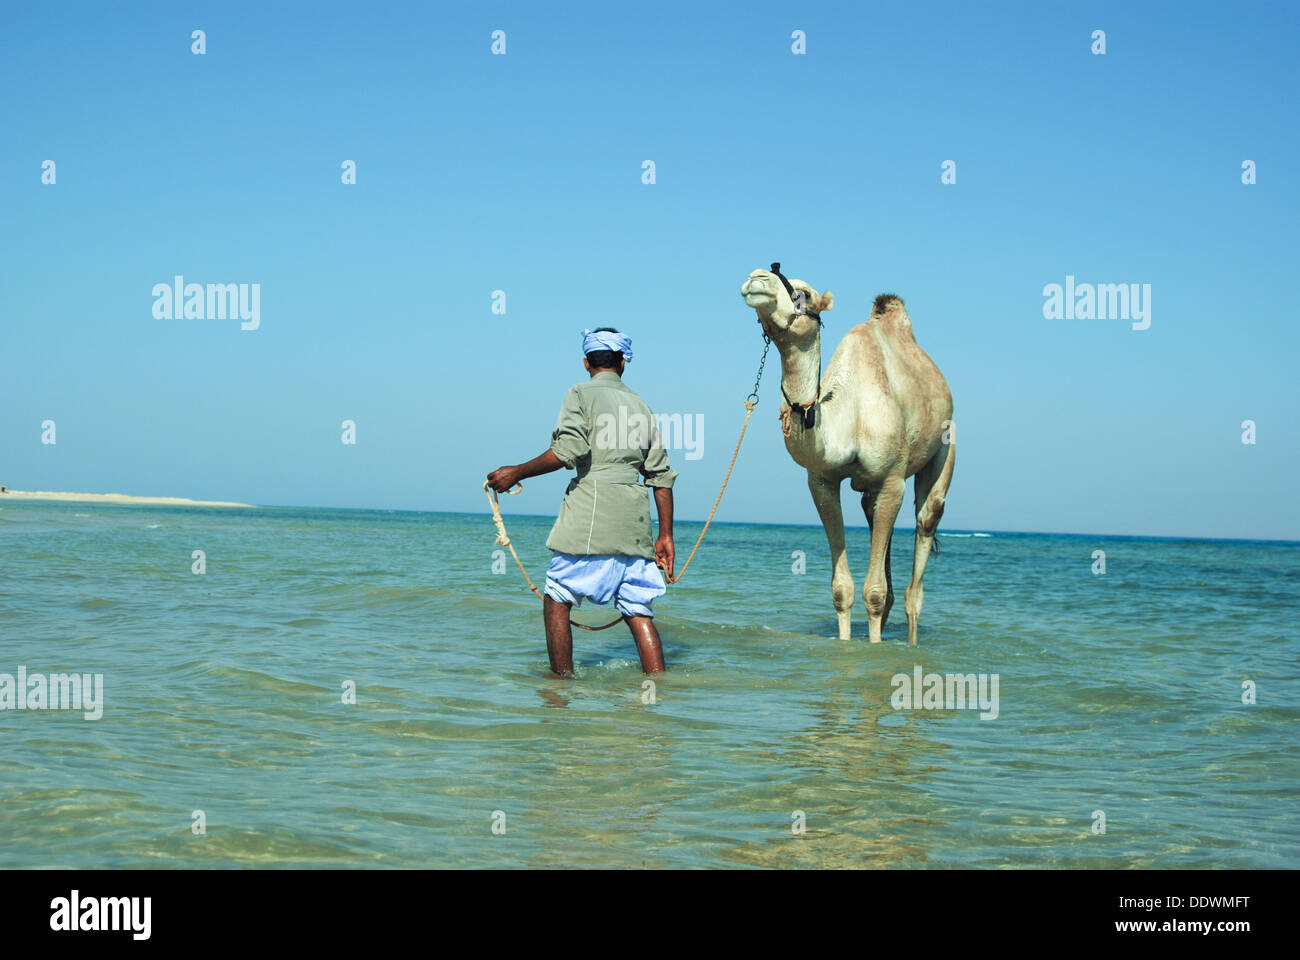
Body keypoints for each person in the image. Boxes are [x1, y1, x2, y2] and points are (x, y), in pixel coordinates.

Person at [487, 328, 677, 677]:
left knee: (556, 599)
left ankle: (560, 687)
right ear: (622, 363)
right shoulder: (641, 405)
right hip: (635, 521)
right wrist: (666, 536)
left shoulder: (579, 394)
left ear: (587, 362)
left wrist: (517, 472)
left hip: (593, 511)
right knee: (637, 608)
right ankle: (658, 692)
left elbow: (568, 451)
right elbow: (660, 477)